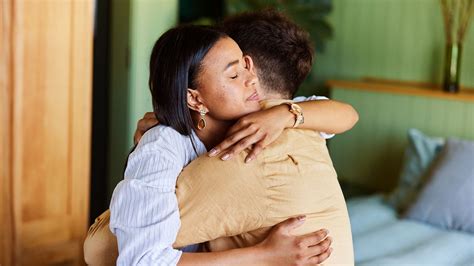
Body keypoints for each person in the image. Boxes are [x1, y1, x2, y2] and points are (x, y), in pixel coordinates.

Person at [84, 10, 357, 265]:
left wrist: (285, 115)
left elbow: (346, 114)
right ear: (194, 97)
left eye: (247, 67)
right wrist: (263, 255)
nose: (251, 80)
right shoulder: (162, 148)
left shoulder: (265, 118)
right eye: (235, 73)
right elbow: (141, 260)